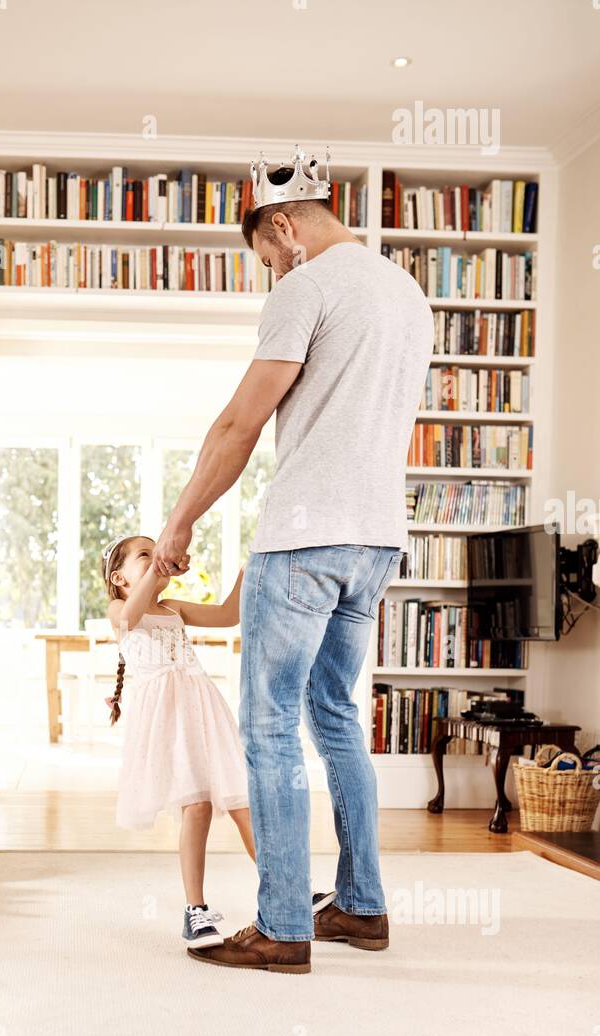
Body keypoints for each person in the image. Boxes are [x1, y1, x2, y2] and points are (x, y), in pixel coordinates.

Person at [151, 145, 434, 975]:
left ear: (283, 224)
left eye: (267, 256)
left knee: (269, 727)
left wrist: (175, 527)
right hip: (376, 538)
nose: (270, 271)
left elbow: (239, 425)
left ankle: (281, 927)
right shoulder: (405, 293)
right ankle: (361, 905)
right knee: (337, 718)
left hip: (305, 536)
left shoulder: (305, 287)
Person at [101, 533, 255, 948]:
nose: (157, 560)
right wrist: (160, 564)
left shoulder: (173, 609)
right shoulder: (120, 608)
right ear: (119, 578)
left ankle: (284, 889)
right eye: (144, 556)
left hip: (203, 709)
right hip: (169, 719)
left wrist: (248, 565)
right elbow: (130, 618)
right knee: (198, 804)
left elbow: (229, 614)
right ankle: (196, 909)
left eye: (158, 552)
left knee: (244, 799)